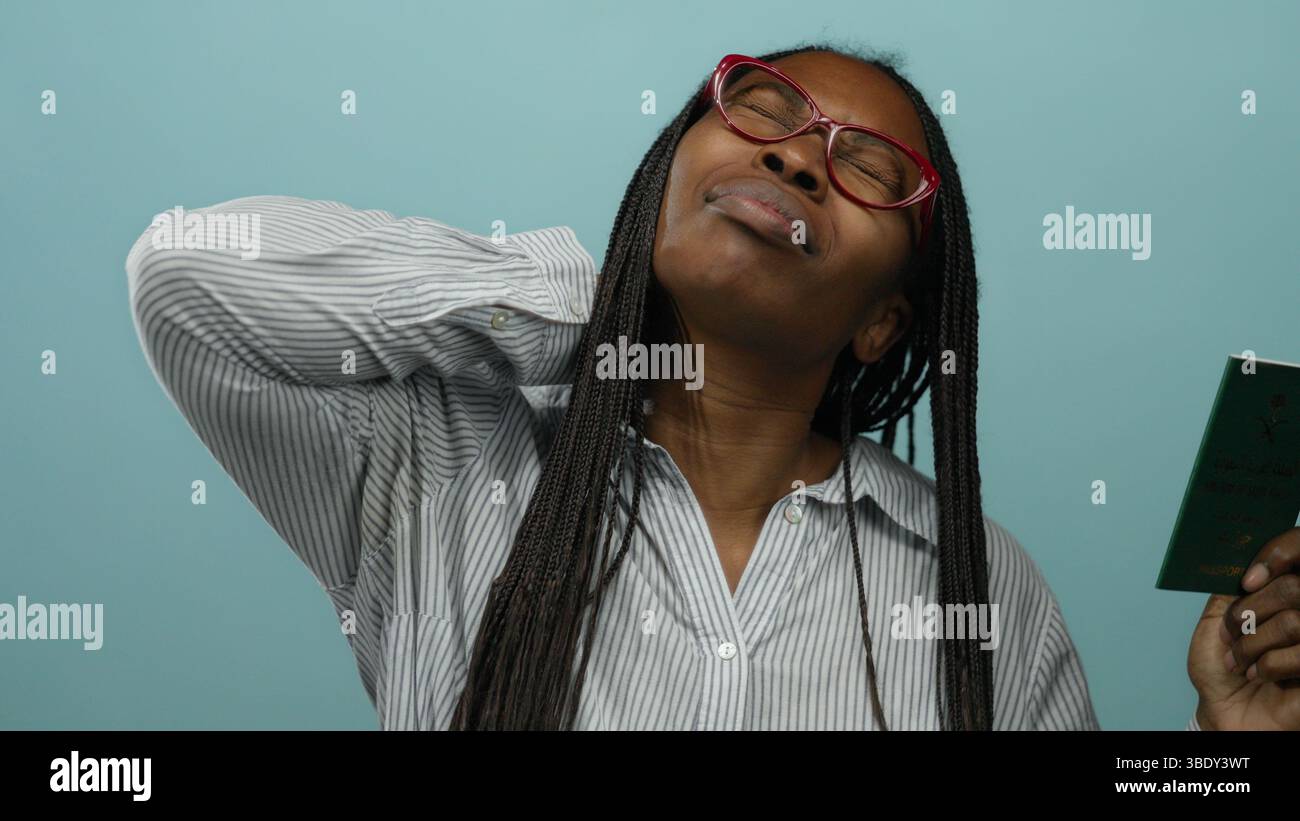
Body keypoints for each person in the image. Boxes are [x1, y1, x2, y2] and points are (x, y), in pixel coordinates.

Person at [124, 43, 1300, 730]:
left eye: (869, 171)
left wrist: (1222, 748)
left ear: (885, 319)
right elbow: (183, 272)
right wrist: (603, 307)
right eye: (762, 114)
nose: (795, 156)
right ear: (669, 173)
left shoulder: (982, 588)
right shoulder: (443, 464)